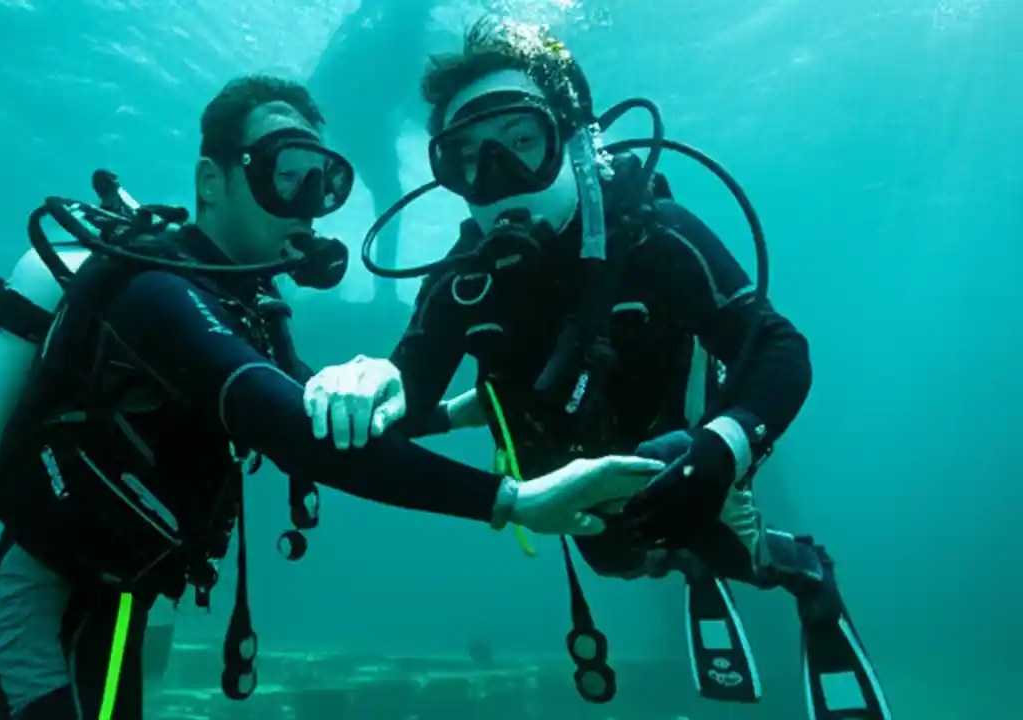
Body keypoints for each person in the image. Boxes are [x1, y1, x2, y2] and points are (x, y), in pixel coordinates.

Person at [0, 74, 665, 720]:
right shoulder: (163, 293)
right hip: (41, 600)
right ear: (212, 180)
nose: (308, 206)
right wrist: (510, 501)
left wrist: (457, 412)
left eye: (322, 181)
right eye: (284, 174)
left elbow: (335, 430)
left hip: (118, 596)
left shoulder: (250, 309)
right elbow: (300, 435)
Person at [302, 20, 892, 720]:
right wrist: (367, 381)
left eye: (522, 144)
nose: (496, 182)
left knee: (727, 545)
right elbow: (408, 386)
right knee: (618, 561)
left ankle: (803, 573)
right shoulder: (465, 282)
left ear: (576, 141)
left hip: (680, 452)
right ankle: (686, 566)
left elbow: (778, 347)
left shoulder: (657, 236)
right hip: (572, 477)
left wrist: (721, 448)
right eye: (466, 160)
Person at [306, 0, 440, 304]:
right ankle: (382, 294)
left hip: (359, 131)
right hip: (342, 126)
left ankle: (384, 293)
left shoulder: (384, 39)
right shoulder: (384, 42)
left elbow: (415, 103)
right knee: (307, 190)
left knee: (384, 199)